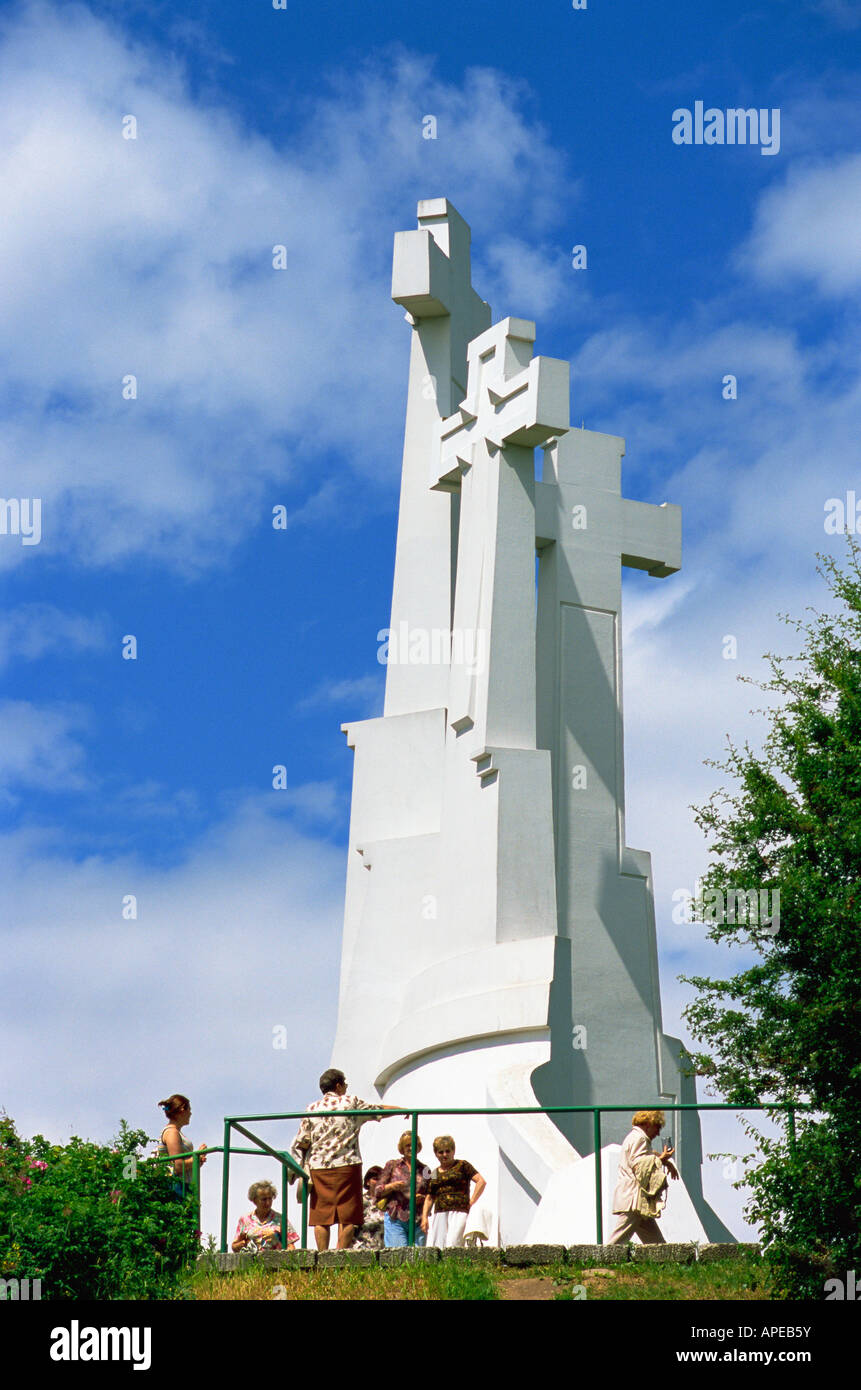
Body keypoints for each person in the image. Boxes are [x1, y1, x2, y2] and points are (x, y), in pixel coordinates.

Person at [289, 1068, 405, 1251]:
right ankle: (340, 1254)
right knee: (348, 1215)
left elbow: (302, 1140)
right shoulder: (351, 1102)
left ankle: (322, 1255)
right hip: (347, 1164)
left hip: (319, 1167)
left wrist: (298, 1165)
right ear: (338, 1085)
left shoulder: (312, 1108)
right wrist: (400, 1110)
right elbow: (378, 1111)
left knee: (321, 1216)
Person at [609, 1108, 679, 1245]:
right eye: (657, 1127)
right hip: (633, 1199)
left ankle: (665, 1260)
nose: (658, 1133)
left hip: (637, 1200)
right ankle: (600, 1262)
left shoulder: (635, 1137)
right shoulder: (640, 1138)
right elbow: (639, 1166)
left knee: (655, 1242)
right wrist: (661, 1159)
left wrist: (664, 1160)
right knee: (616, 1242)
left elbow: (644, 1157)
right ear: (649, 1124)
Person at [421, 1135, 486, 1248]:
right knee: (438, 1245)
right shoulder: (434, 1173)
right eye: (441, 1152)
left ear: (453, 1151)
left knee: (454, 1242)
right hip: (440, 1212)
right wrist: (424, 1217)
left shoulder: (462, 1165)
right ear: (436, 1154)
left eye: (447, 1151)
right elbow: (430, 1197)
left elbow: (481, 1181)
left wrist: (471, 1201)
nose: (444, 1155)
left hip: (459, 1211)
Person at [377, 1132, 431, 1247]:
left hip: (418, 1219)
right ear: (401, 1148)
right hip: (396, 1217)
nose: (411, 1148)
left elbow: (430, 1195)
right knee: (398, 1257)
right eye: (407, 1145)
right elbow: (377, 1191)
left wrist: (425, 1213)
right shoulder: (392, 1165)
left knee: (418, 1258)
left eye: (414, 1144)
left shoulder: (426, 1169)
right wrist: (392, 1186)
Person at [156, 1095, 206, 1196]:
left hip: (183, 1186)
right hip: (176, 1187)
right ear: (182, 1110)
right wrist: (196, 1158)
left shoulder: (176, 1132)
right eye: (189, 1110)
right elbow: (177, 1165)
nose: (190, 1114)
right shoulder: (172, 1132)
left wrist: (197, 1160)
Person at [232, 1181, 298, 1253]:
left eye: (270, 1198)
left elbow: (291, 1249)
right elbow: (234, 1246)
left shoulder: (281, 1220)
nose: (268, 1203)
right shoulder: (245, 1220)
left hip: (275, 1262)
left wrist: (275, 1241)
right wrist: (243, 1244)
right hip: (251, 1262)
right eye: (264, 1199)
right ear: (254, 1201)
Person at [353, 1166, 385, 1251]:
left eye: (381, 1179)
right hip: (362, 1251)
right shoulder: (360, 1201)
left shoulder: (389, 1202)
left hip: (383, 1252)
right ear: (367, 1182)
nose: (378, 1182)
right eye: (375, 1179)